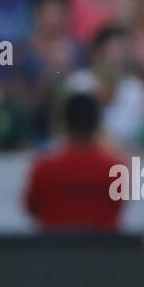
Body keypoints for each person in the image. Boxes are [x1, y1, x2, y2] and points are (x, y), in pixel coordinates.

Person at [23, 89, 125, 231]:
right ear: (97, 124)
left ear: (64, 122)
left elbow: (31, 207)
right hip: (101, 245)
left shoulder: (44, 168)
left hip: (54, 244)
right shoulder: (116, 170)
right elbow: (117, 208)